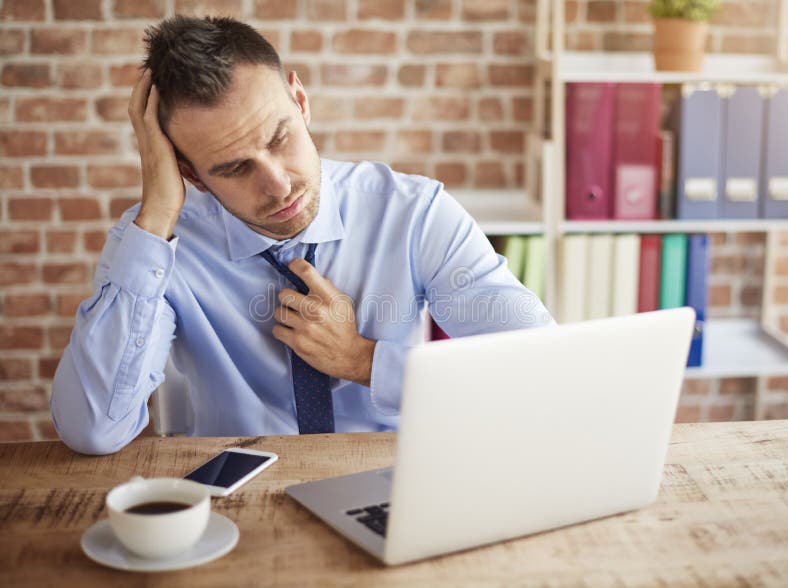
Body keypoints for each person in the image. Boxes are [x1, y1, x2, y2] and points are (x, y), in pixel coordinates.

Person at [50, 15, 555, 455]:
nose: (277, 184)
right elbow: (94, 429)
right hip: (241, 502)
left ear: (300, 99)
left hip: (396, 483)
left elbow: (540, 372)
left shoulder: (413, 214)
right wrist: (159, 210)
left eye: (278, 137)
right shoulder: (155, 240)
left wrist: (362, 359)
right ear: (194, 175)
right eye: (233, 167)